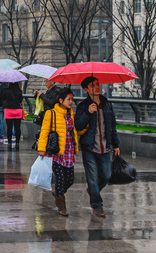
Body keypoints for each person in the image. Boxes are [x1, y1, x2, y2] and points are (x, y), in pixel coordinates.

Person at [75, 77, 121, 218]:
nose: (97, 87)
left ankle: (93, 191)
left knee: (106, 176)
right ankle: (97, 205)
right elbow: (77, 126)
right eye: (92, 85)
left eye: (98, 84)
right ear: (86, 89)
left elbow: (112, 126)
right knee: (93, 178)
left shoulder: (107, 104)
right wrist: (88, 112)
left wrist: (116, 144)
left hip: (105, 148)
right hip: (90, 148)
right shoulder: (83, 106)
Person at [38, 89, 85, 217]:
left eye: (72, 99)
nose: (71, 102)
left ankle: (58, 193)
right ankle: (61, 206)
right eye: (68, 99)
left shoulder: (71, 113)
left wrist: (85, 126)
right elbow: (44, 131)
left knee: (70, 180)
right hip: (57, 153)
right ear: (61, 100)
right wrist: (41, 149)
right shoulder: (51, 113)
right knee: (60, 179)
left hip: (69, 151)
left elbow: (74, 130)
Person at [1, 82, 25, 149]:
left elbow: (3, 99)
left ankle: (9, 142)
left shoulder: (6, 91)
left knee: (9, 128)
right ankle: (17, 143)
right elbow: (20, 100)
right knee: (17, 128)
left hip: (9, 111)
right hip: (17, 111)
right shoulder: (19, 91)